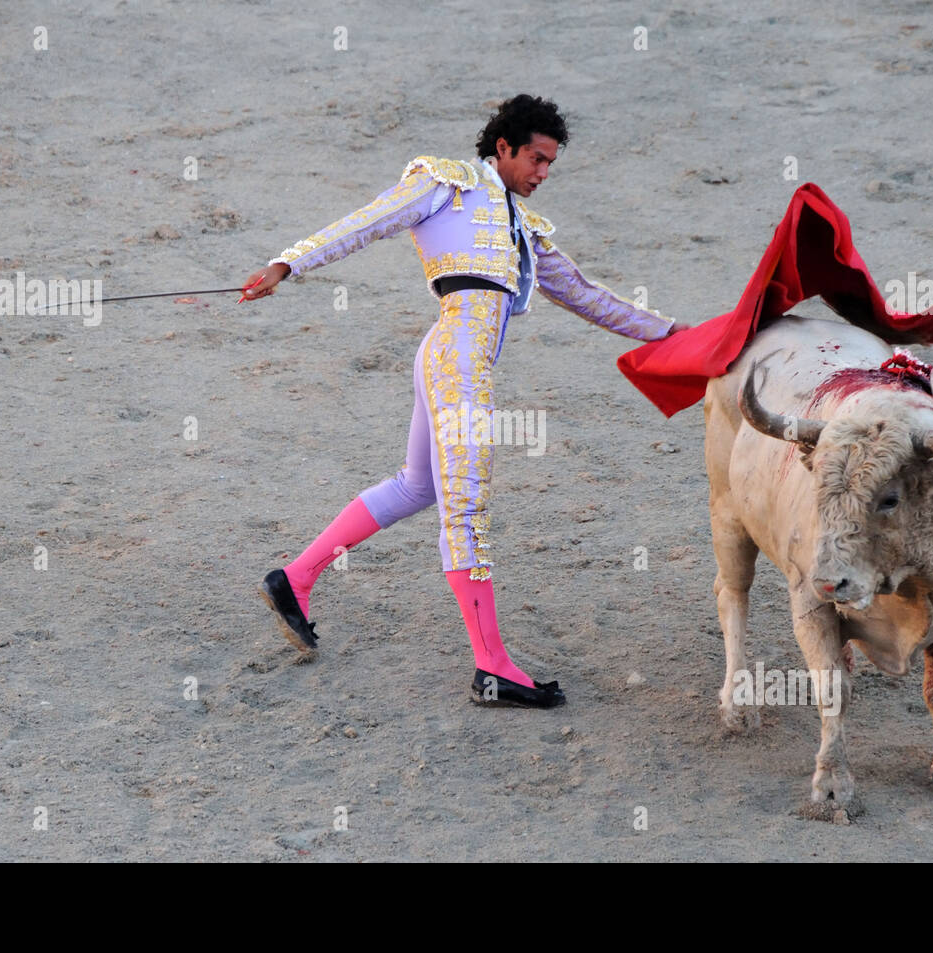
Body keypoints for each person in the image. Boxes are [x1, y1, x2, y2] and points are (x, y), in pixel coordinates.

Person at [240, 94, 690, 708]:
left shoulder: (522, 225)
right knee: (467, 507)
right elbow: (366, 222)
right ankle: (492, 668)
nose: (543, 173)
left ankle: (294, 579)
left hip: (451, 358)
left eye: (550, 163)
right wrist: (286, 264)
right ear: (503, 147)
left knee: (418, 486)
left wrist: (672, 333)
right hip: (457, 361)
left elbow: (587, 296)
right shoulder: (446, 184)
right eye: (536, 158)